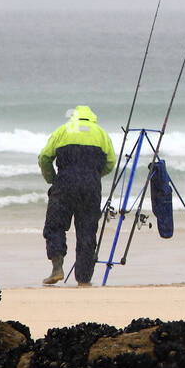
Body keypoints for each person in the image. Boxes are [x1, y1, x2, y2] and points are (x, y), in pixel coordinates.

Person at [38, 105, 116, 286]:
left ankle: (57, 269)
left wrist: (52, 178)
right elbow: (111, 162)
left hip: (65, 183)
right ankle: (84, 278)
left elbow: (44, 157)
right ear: (92, 118)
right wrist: (94, 175)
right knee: (87, 231)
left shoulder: (63, 130)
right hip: (91, 186)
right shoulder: (101, 134)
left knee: (55, 226)